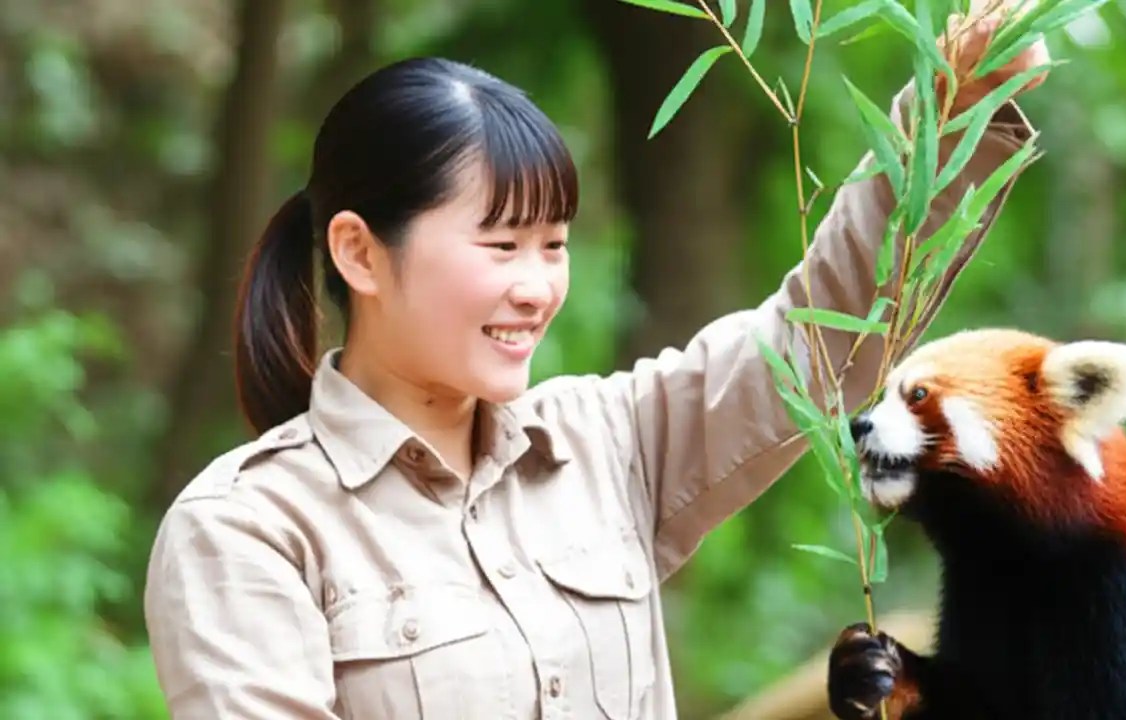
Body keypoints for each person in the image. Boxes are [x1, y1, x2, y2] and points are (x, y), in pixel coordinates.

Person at [143, 9, 1048, 719]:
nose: (537, 287)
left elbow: (820, 337)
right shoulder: (248, 531)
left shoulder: (605, 441)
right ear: (359, 253)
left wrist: (949, 112)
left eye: (554, 246)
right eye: (501, 246)